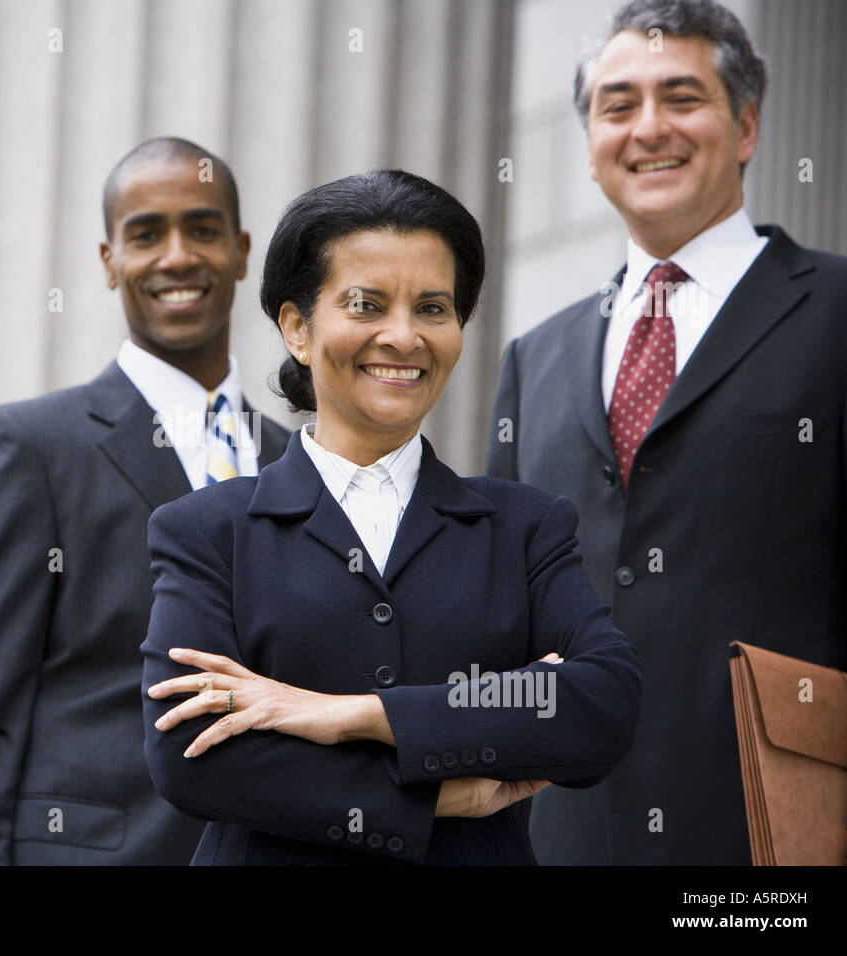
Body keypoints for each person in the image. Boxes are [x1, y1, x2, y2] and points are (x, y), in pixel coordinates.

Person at [141, 169, 641, 865]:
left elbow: (602, 703)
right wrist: (433, 792)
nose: (403, 337)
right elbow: (191, 756)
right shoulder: (206, 531)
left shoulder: (524, 526)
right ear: (297, 327)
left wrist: (347, 716)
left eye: (433, 309)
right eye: (366, 304)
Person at [486, 0, 847, 865]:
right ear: (590, 148)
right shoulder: (531, 361)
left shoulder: (844, 315)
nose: (649, 128)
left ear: (748, 125)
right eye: (618, 107)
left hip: (773, 837)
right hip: (561, 835)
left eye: (681, 97)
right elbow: (499, 617)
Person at [0, 137, 291, 864]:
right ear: (109, 260)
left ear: (243, 252)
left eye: (203, 229)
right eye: (146, 234)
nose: (177, 256)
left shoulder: (295, 463)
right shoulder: (28, 448)